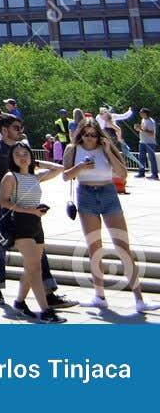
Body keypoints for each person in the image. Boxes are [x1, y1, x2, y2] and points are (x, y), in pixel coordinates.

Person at [58, 117, 159, 312]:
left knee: (123, 247)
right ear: (80, 134)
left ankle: (139, 299)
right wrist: (80, 167)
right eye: (86, 135)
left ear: (99, 134)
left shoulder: (106, 147)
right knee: (95, 248)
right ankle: (100, 296)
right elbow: (65, 176)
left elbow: (122, 173)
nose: (90, 139)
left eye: (94, 135)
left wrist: (108, 151)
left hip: (108, 193)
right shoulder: (73, 149)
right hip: (85, 194)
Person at [0, 113, 72, 310]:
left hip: (27, 209)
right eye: (16, 127)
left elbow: (36, 172)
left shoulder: (22, 149)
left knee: (39, 250)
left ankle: (48, 291)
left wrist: (32, 162)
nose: (20, 131)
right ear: (4, 130)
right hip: (3, 206)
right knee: (0, 245)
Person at [0, 140, 63, 322]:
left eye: (25, 153)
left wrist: (36, 162)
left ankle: (19, 302)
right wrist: (30, 211)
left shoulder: (34, 176)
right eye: (17, 155)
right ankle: (46, 310)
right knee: (35, 267)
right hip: (20, 223)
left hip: (36, 222)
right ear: (11, 158)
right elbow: (4, 202)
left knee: (30, 267)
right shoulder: (10, 177)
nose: (22, 157)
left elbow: (59, 168)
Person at [138, 108, 158, 180]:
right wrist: (138, 129)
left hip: (150, 143)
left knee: (151, 158)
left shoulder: (151, 121)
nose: (140, 114)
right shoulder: (143, 120)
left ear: (145, 113)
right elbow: (143, 129)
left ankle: (154, 174)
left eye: (141, 112)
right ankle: (141, 173)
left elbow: (152, 133)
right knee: (141, 158)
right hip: (142, 142)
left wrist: (141, 129)